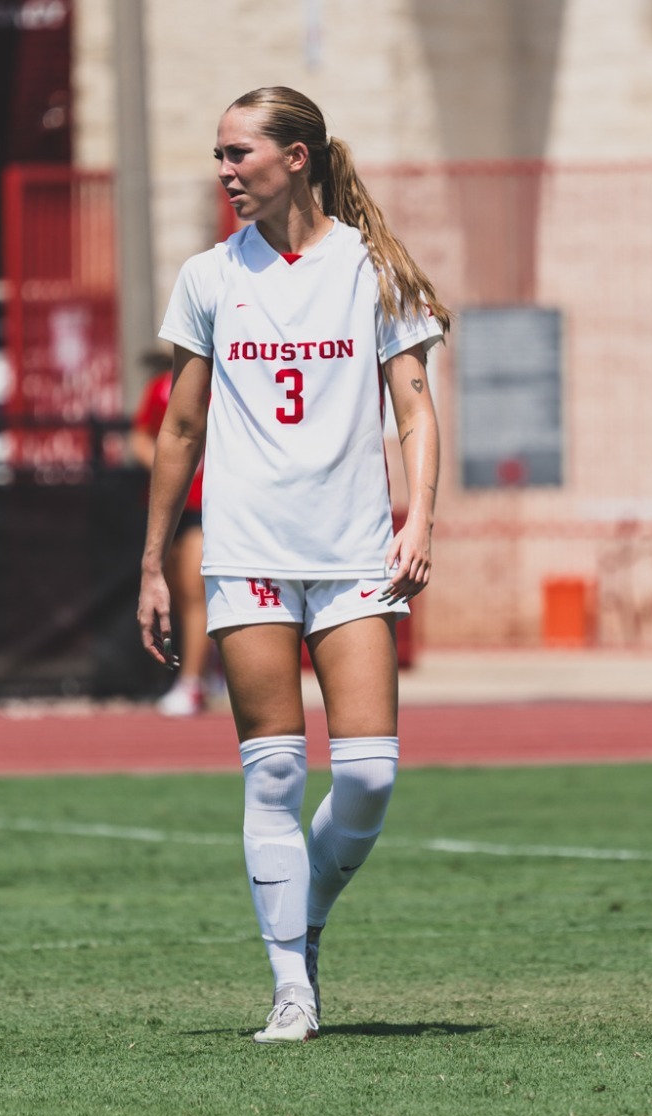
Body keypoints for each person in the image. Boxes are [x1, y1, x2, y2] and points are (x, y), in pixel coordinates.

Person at [136, 86, 447, 1044]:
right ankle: (291, 989)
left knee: (369, 778)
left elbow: (416, 410)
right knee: (273, 773)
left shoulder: (375, 268)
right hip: (248, 554)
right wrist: (152, 563)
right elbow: (180, 428)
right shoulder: (208, 277)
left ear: (298, 156)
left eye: (240, 152)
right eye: (220, 154)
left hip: (354, 550)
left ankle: (302, 917)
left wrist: (420, 517)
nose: (226, 170)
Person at [128, 357, 213, 717]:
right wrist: (170, 465)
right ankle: (202, 668)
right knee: (176, 592)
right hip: (172, 505)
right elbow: (142, 438)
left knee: (195, 593)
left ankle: (193, 682)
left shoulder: (223, 383)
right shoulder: (162, 386)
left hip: (208, 503)